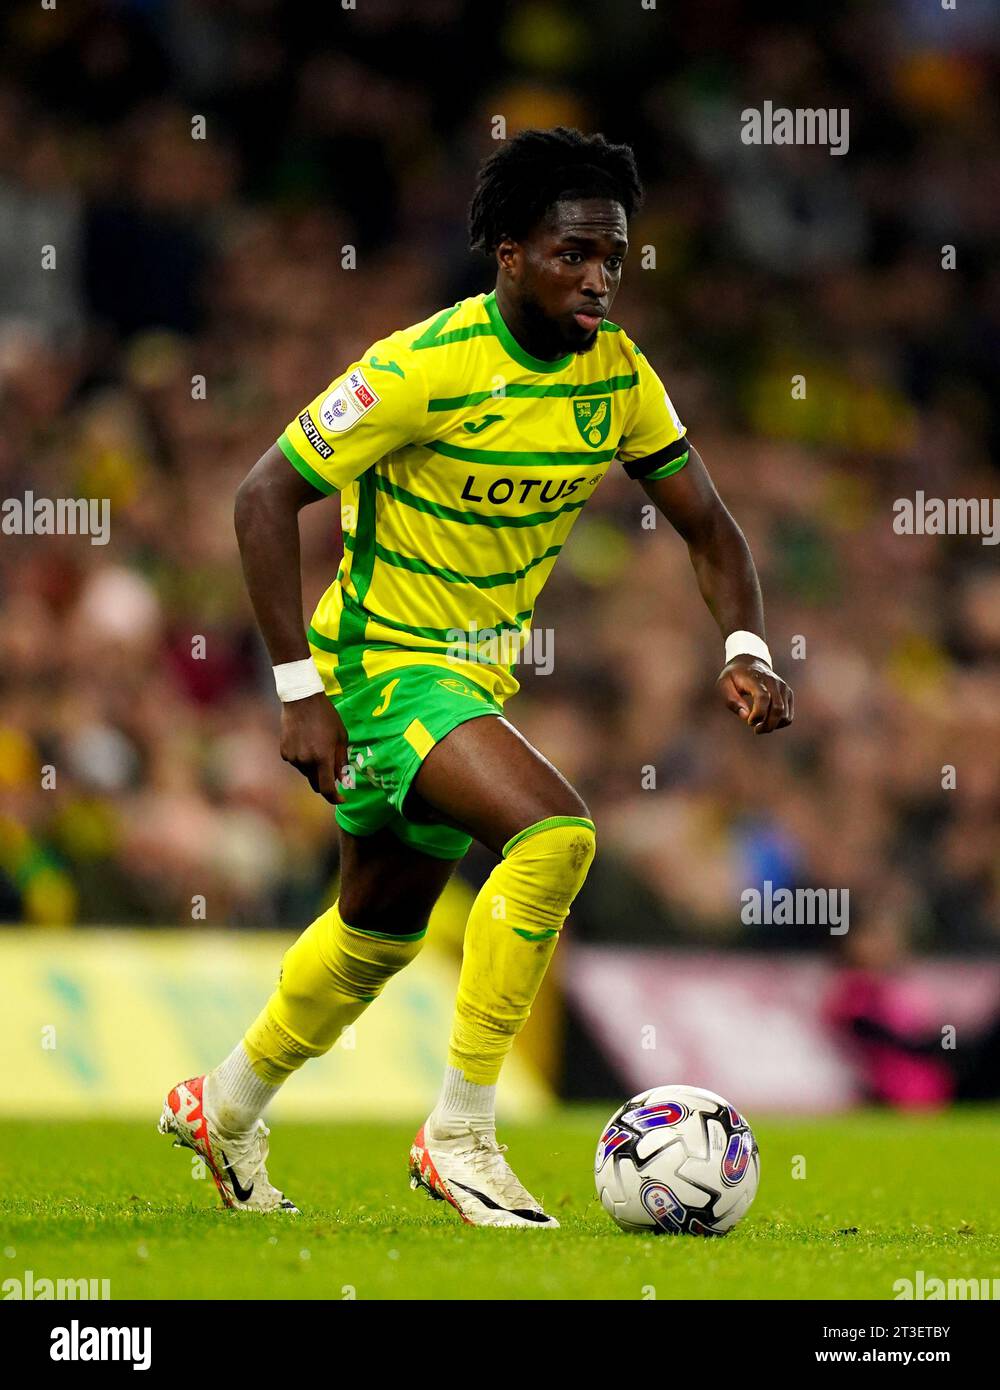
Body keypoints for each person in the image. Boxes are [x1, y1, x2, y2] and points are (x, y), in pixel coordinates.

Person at [159, 126, 793, 1226]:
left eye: (613, 258)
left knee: (375, 933)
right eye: (572, 254)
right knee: (555, 835)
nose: (598, 278)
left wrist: (743, 646)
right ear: (508, 251)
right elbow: (263, 495)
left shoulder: (617, 376)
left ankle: (224, 1102)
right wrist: (297, 688)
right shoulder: (423, 366)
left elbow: (713, 530)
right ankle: (459, 1135)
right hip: (380, 669)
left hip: (470, 684)